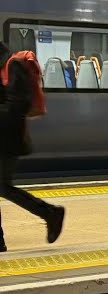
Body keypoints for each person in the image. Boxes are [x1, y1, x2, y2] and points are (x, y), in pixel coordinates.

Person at [0, 41, 65, 251]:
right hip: (5, 139)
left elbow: (19, 104)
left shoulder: (12, 65)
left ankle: (50, 212)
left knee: (2, 186)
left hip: (7, 141)